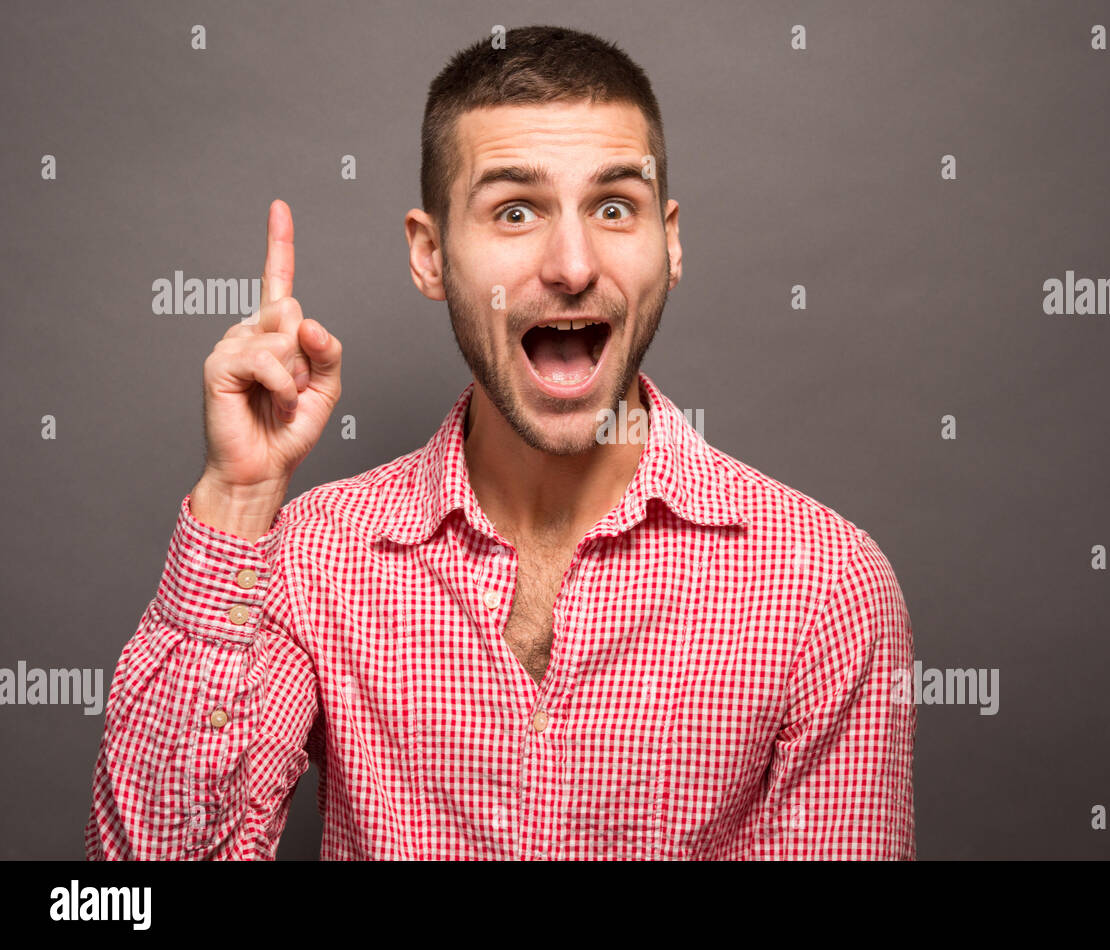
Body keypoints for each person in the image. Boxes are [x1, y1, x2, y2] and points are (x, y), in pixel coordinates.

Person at [85, 24, 915, 860]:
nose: (572, 265)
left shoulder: (823, 587)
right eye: (515, 210)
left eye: (614, 206)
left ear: (669, 242)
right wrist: (237, 500)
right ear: (431, 254)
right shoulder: (314, 558)